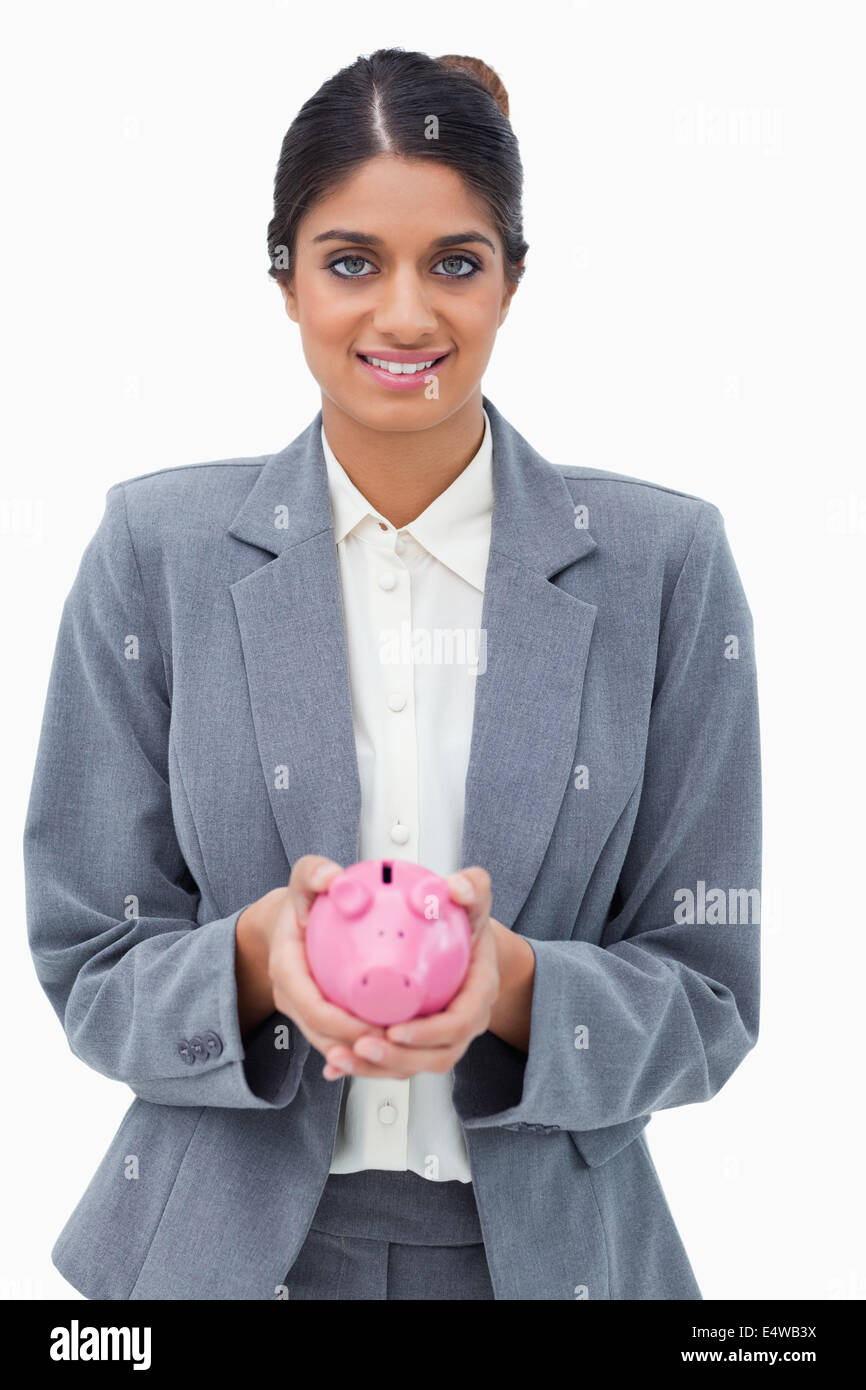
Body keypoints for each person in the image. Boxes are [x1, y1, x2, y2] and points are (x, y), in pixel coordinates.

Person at [22, 47, 761, 1301]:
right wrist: (256, 955)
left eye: (456, 263)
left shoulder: (663, 565)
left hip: (550, 1261)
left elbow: (710, 994)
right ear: (286, 279)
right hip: (215, 1262)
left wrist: (513, 984)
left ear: (513, 280)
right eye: (351, 261)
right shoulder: (154, 553)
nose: (405, 315)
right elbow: (89, 959)